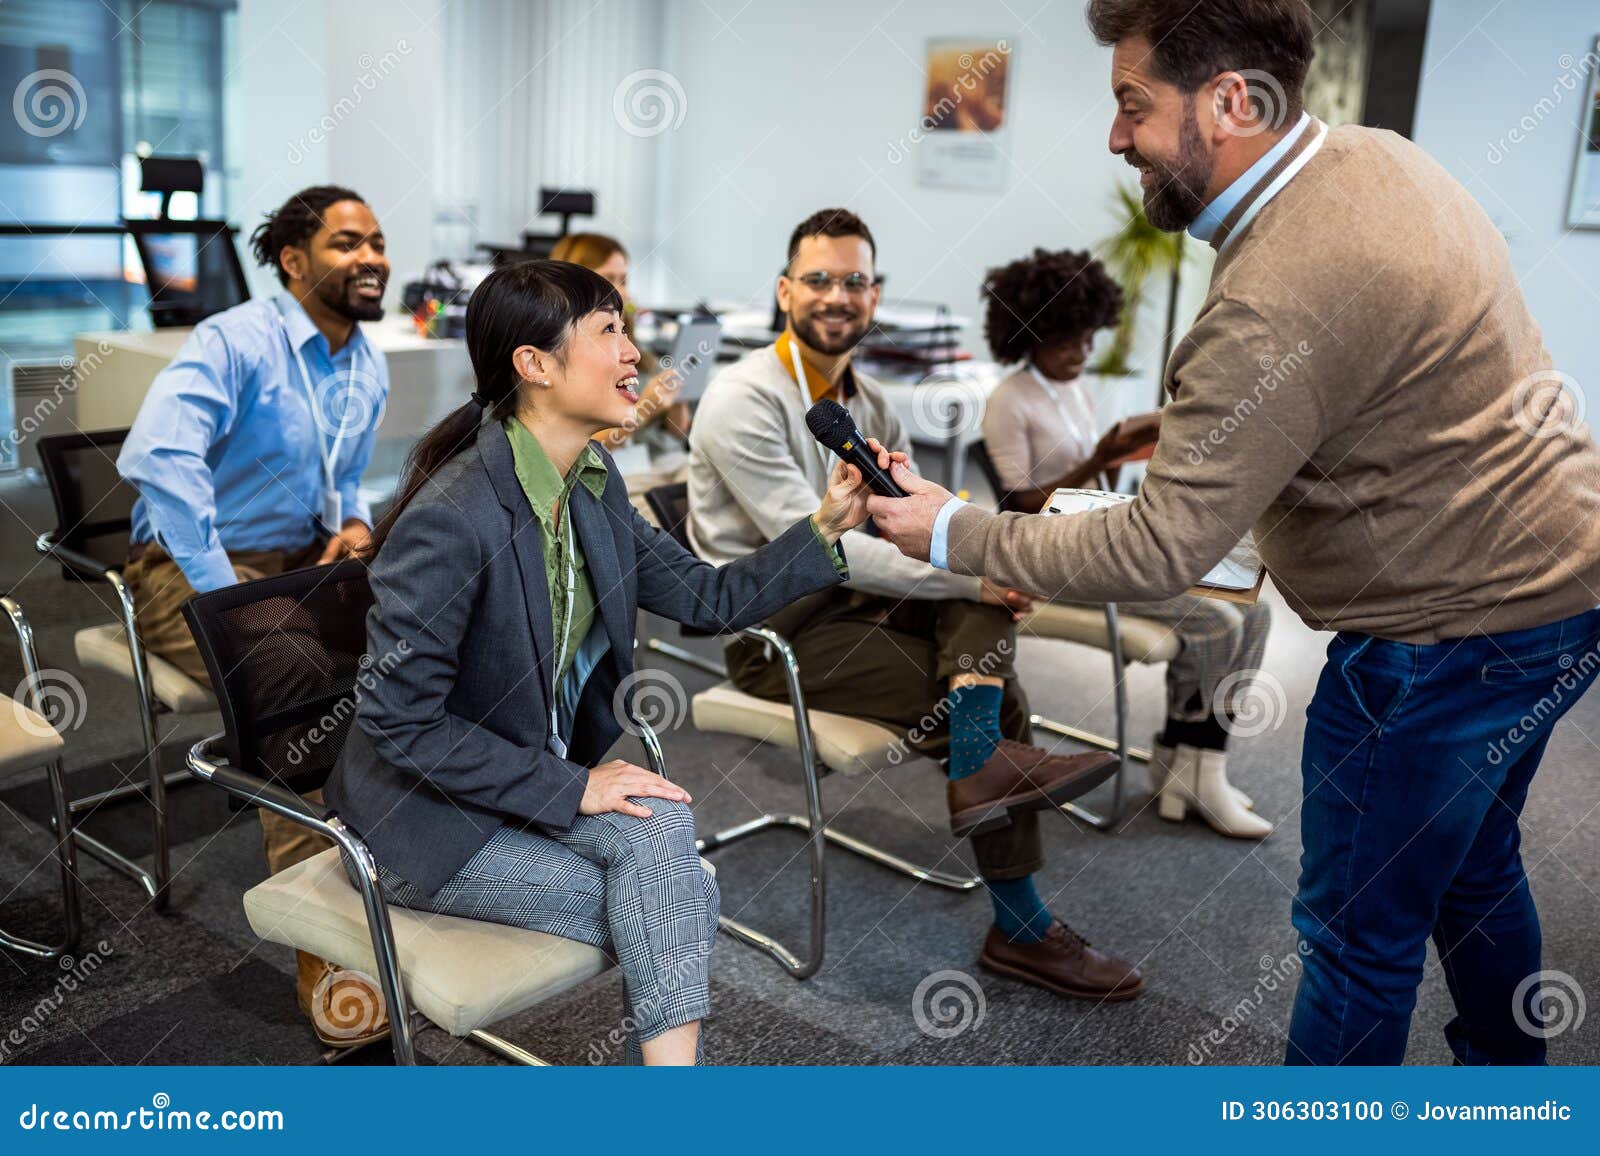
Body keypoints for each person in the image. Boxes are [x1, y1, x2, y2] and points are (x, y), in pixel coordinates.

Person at [865, 0, 1600, 1066]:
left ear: (1233, 102)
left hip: (1445, 634)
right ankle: (1510, 1095)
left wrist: (950, 531)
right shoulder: (1378, 159)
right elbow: (1360, 383)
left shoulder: (1274, 294)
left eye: (1133, 106)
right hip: (1561, 588)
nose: (1115, 137)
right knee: (1475, 868)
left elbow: (1154, 549)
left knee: (1356, 937)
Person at [325, 259, 875, 1065]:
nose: (633, 353)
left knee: (664, 845)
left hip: (516, 783)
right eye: (609, 331)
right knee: (680, 896)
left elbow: (708, 597)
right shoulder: (455, 515)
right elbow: (400, 721)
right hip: (422, 822)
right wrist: (573, 787)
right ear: (535, 365)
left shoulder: (590, 480)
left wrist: (826, 525)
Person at [688, 208, 1145, 1003]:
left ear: (876, 295)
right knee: (987, 667)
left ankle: (987, 787)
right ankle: (1020, 921)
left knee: (972, 562)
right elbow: (821, 548)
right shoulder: (742, 399)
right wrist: (973, 573)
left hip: (859, 601)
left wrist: (974, 558)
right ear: (785, 291)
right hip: (776, 624)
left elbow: (910, 534)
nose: (838, 295)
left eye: (855, 281)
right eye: (819, 279)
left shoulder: (871, 405)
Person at [117, 185, 392, 1047]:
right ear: (294, 262)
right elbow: (159, 459)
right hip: (187, 565)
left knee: (419, 642)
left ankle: (410, 884)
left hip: (300, 560)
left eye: (377, 241)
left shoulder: (365, 363)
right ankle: (332, 963)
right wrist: (221, 595)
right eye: (348, 243)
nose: (372, 257)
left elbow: (347, 475)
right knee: (294, 681)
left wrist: (350, 523)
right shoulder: (234, 340)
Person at [980, 246, 1272, 838]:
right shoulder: (1008, 400)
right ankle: (1195, 773)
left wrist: (1127, 457)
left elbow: (1092, 486)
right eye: (1068, 342)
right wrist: (1099, 457)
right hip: (1046, 564)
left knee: (1255, 613)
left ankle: (1186, 764)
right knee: (1216, 624)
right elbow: (1016, 506)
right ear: (1031, 334)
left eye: (1089, 339)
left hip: (1098, 542)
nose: (1082, 353)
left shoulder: (1075, 390)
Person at [549, 232, 691, 464]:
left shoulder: (637, 351)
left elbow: (678, 430)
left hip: (654, 465)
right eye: (608, 279)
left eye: (623, 280)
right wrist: (643, 409)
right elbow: (577, 452)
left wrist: (676, 399)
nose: (620, 292)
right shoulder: (564, 357)